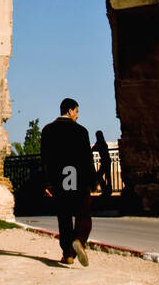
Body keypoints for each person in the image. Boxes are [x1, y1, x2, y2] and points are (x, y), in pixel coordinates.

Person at [40, 98, 95, 266]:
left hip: (60, 179)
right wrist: (92, 181)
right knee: (83, 214)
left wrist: (47, 183)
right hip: (78, 178)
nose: (77, 116)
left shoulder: (48, 130)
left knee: (64, 216)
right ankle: (79, 239)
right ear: (70, 111)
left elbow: (45, 160)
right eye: (77, 112)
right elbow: (87, 158)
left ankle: (67, 254)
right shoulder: (81, 131)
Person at [94, 130, 112, 200]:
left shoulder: (100, 143)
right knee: (107, 176)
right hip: (106, 161)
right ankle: (108, 190)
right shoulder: (102, 142)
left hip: (105, 161)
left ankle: (105, 190)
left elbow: (94, 148)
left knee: (99, 175)